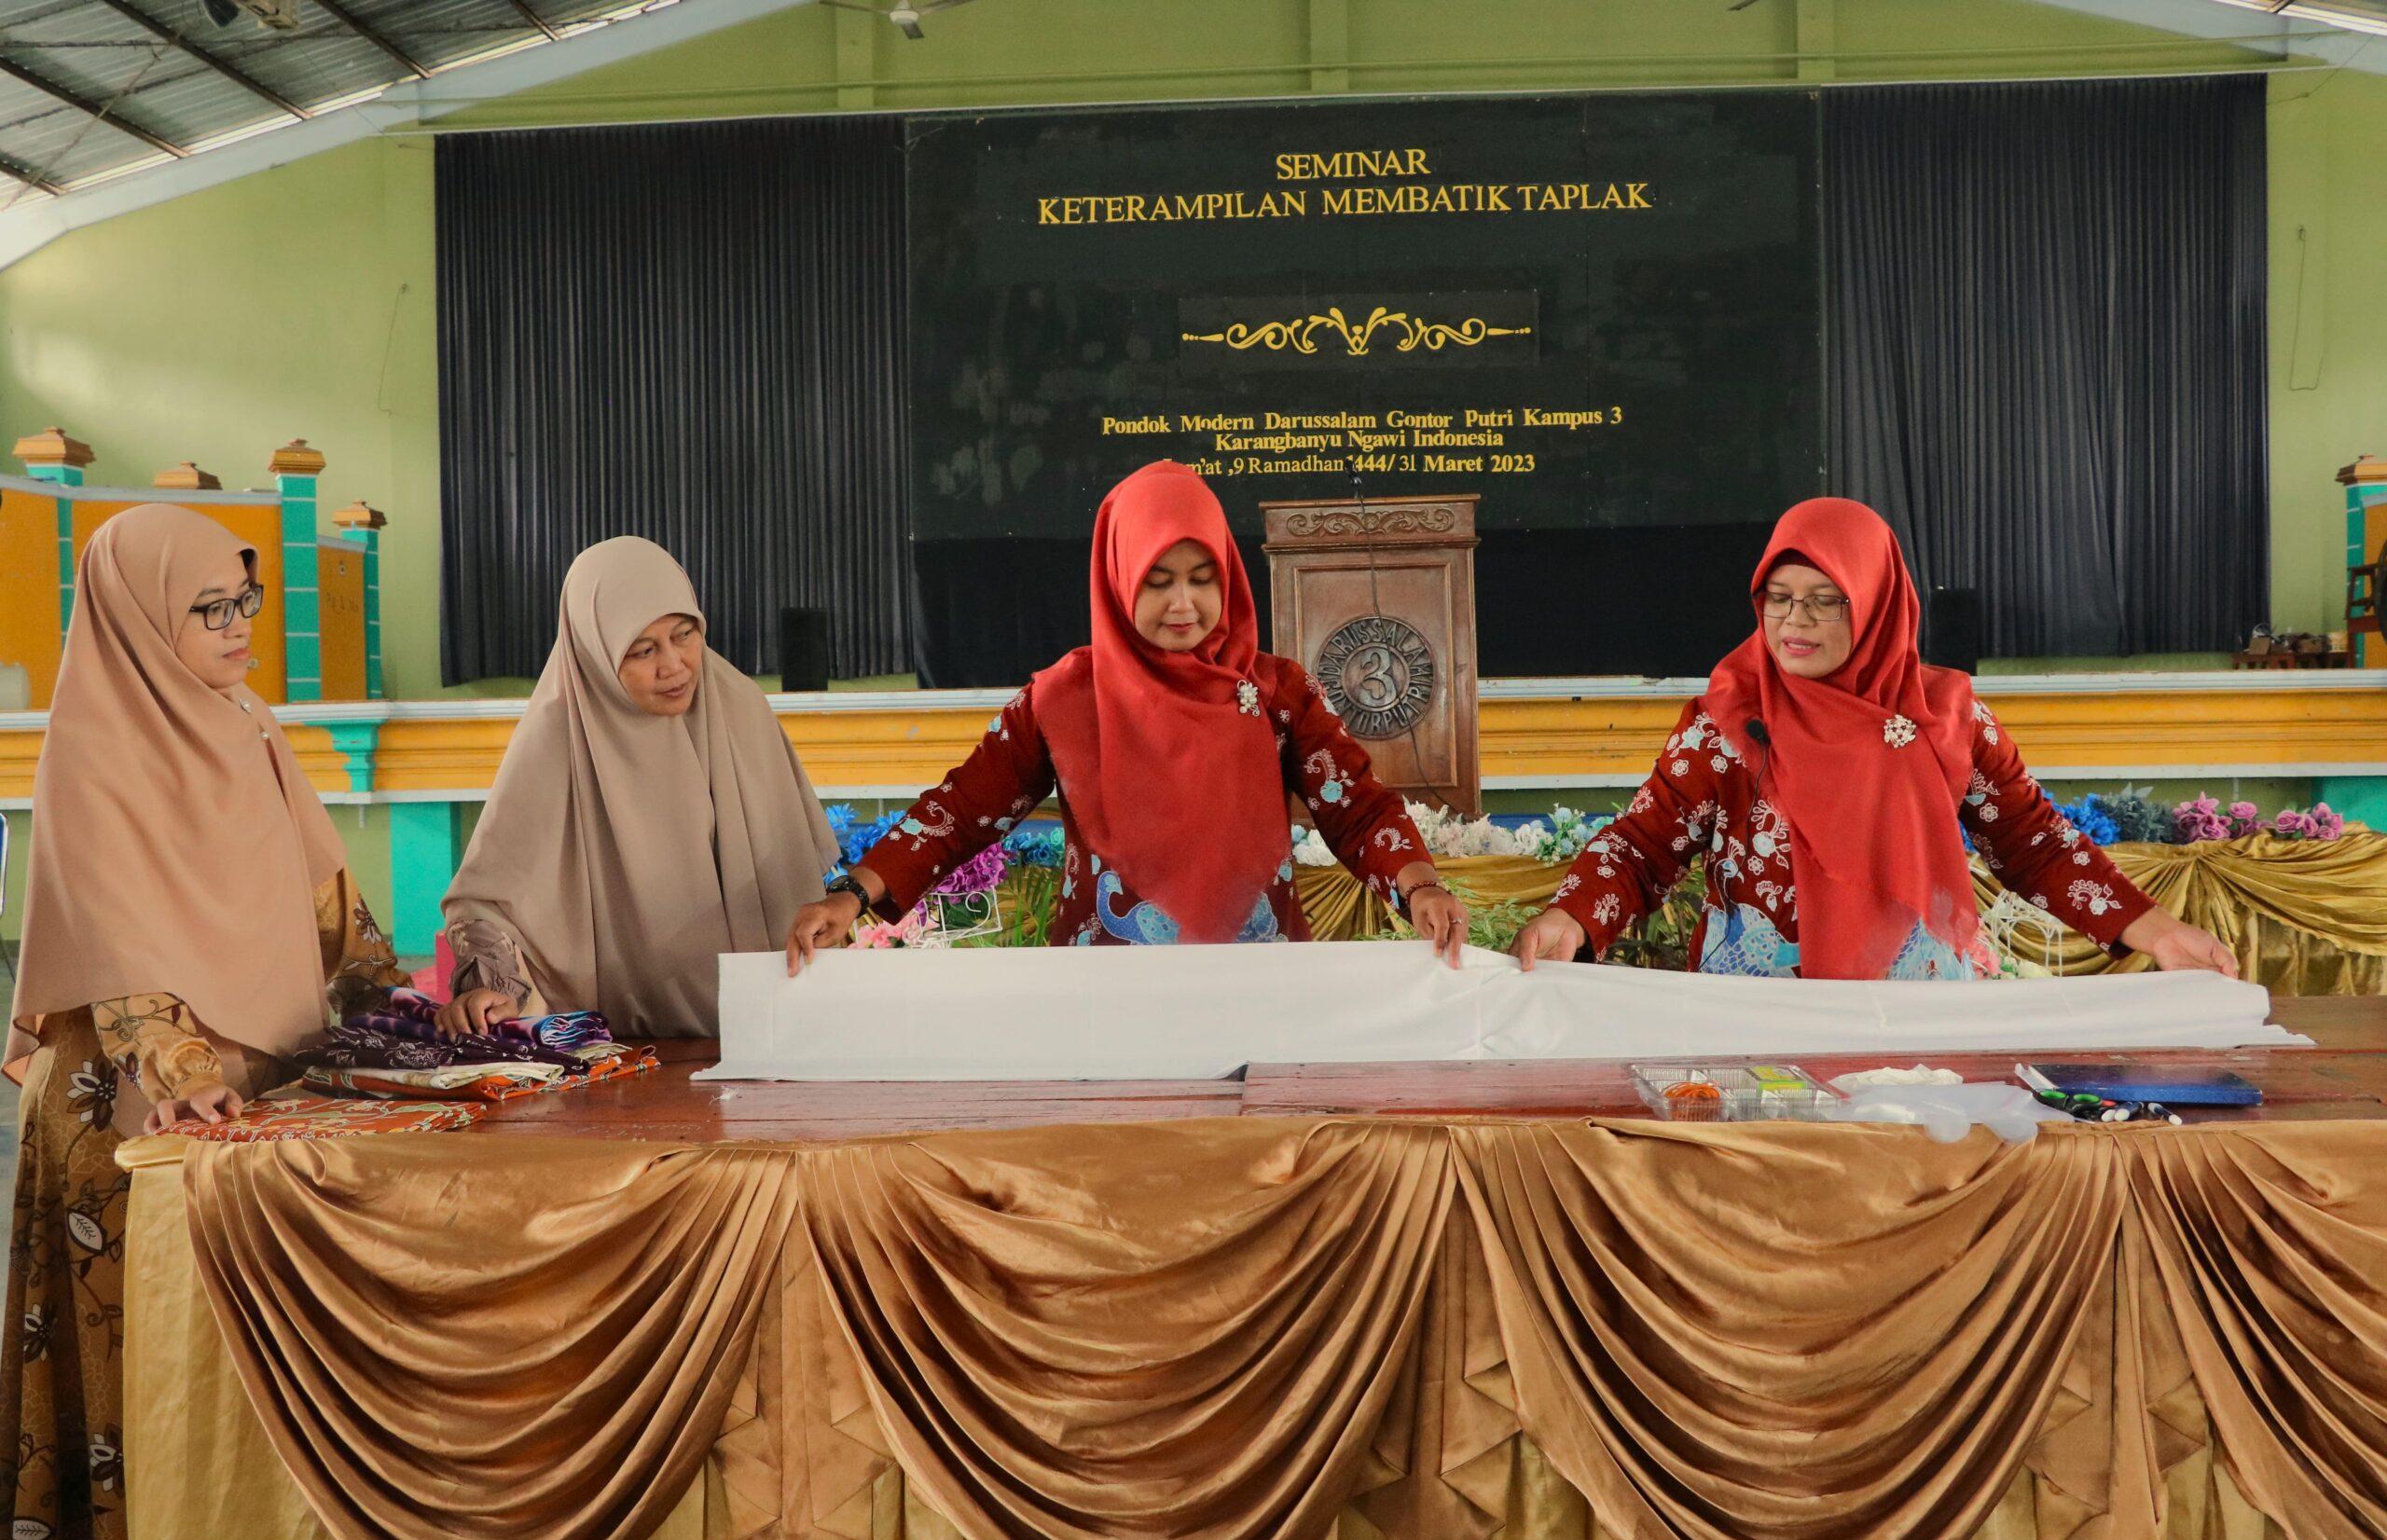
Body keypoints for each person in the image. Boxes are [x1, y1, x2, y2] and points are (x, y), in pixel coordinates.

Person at [0, 506, 407, 1540]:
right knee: (149, 1378)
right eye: (207, 609)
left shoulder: (247, 723)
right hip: (135, 1113)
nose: (238, 628)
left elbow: (327, 901)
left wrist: (395, 1008)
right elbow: (119, 940)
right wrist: (179, 1070)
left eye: (244, 602)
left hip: (261, 1099)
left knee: (249, 1389)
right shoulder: (94, 750)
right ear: (138, 618)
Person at [1509, 497, 2237, 980]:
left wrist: (2156, 930)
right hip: (1757, 1025)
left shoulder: (1947, 721)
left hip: (1919, 1023)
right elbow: (1642, 847)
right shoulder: (1728, 723)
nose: (1795, 622)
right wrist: (1571, 916)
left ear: (1877, 603)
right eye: (1779, 598)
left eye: (1826, 601)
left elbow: (2035, 843)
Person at [786, 461, 1469, 962]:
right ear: (1117, 578)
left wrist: (1420, 889)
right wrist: (852, 895)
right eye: (1157, 581)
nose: (1183, 605)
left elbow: (1359, 810)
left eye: (1202, 579)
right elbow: (962, 810)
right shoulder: (1062, 699)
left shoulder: (1275, 692)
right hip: (1101, 996)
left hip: (1260, 983)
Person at [439, 536, 840, 1038]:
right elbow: (485, 902)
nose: (674, 665)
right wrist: (490, 987)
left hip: (769, 1031)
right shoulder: (557, 739)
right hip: (618, 1049)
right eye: (643, 650)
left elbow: (794, 875)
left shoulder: (739, 708)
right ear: (595, 654)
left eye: (684, 635)